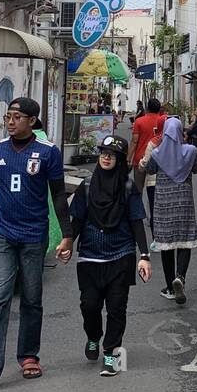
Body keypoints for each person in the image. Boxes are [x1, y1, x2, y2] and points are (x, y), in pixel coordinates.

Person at [0, 97, 72, 390]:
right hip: (2, 236)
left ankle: (28, 356)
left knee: (32, 299)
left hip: (34, 236)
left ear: (32, 121)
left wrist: (67, 234)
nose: (10, 122)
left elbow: (59, 196)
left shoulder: (48, 153)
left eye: (17, 117)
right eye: (8, 117)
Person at [58, 135, 151, 377]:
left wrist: (145, 255)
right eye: (103, 153)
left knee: (117, 307)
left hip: (121, 255)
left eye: (112, 154)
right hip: (90, 256)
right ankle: (93, 336)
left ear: (120, 160)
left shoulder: (128, 187)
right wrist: (68, 242)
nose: (106, 157)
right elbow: (77, 219)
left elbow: (136, 222)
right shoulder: (86, 187)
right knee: (89, 305)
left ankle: (111, 353)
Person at [142, 116, 197, 305]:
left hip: (163, 205)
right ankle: (180, 278)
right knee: (185, 242)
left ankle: (169, 287)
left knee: (166, 244)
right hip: (184, 203)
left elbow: (150, 170)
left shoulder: (158, 153)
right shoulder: (190, 151)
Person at [129, 97, 165, 234]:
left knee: (138, 190)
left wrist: (129, 157)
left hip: (139, 159)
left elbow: (134, 141)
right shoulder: (163, 121)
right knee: (153, 191)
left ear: (147, 107)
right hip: (157, 161)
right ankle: (152, 218)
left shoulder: (139, 121)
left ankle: (137, 216)